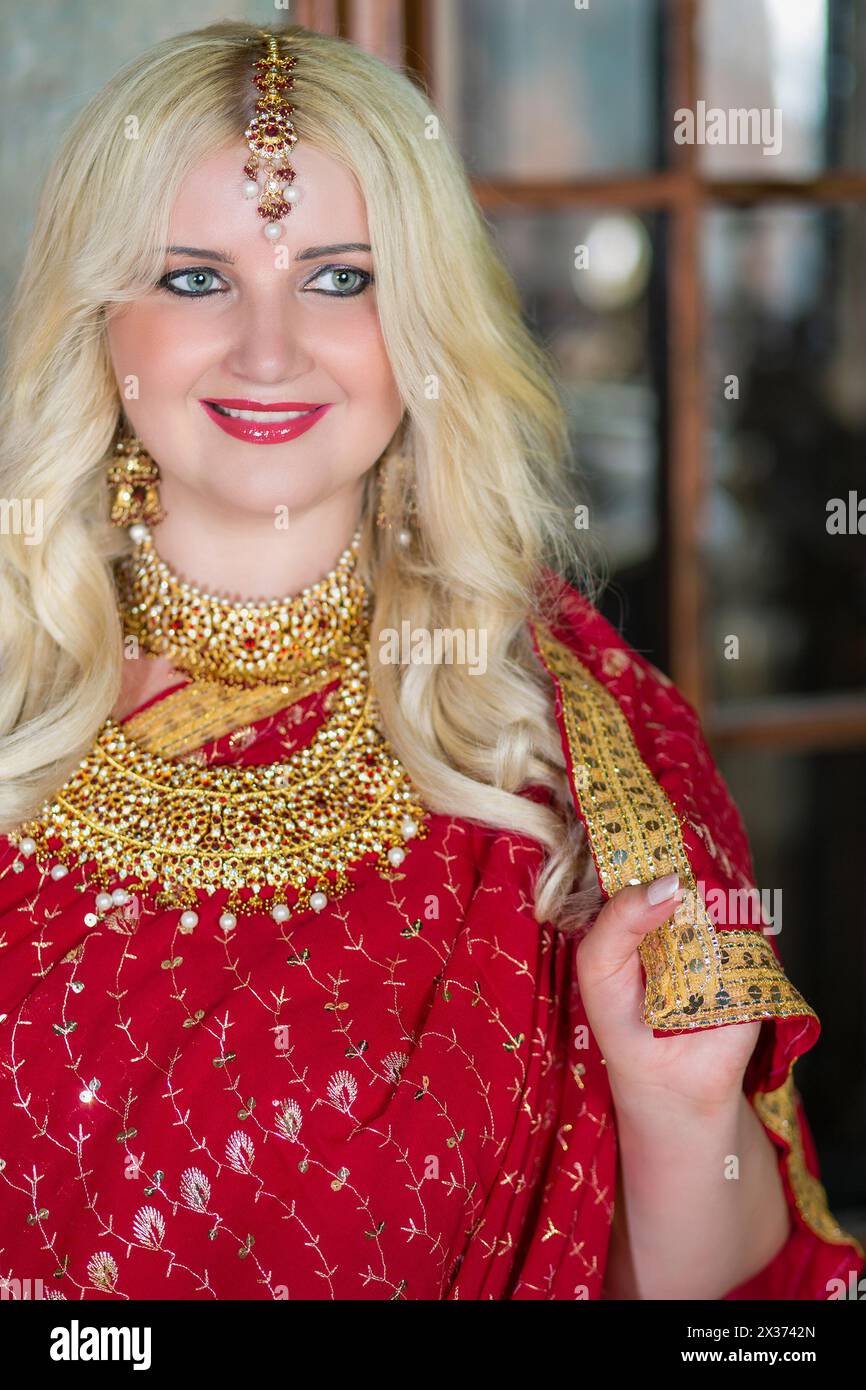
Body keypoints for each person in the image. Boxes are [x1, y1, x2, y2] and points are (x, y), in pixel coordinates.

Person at [0, 20, 861, 1303]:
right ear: (96, 319)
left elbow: (730, 1312)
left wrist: (676, 1101)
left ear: (425, 325)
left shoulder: (570, 740)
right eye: (194, 280)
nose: (271, 348)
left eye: (340, 278)